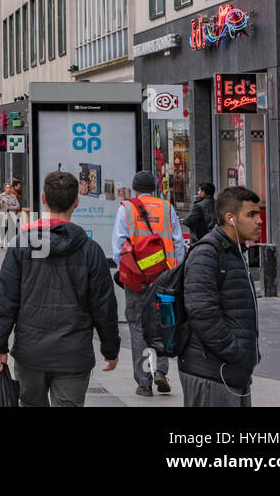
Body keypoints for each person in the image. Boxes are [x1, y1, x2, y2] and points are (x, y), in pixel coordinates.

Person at [0, 170, 120, 406]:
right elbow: (104, 305)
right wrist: (110, 348)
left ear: (44, 199)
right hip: (74, 354)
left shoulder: (22, 245)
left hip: (30, 352)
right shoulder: (90, 251)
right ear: (77, 202)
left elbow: (6, 299)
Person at [179, 186, 263, 407]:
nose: (259, 220)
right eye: (251, 214)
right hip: (212, 373)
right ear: (231, 218)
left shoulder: (234, 251)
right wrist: (236, 352)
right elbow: (202, 313)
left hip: (232, 372)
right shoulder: (208, 253)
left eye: (259, 213)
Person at [111, 170, 185, 396]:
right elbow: (178, 243)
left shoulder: (126, 208)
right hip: (164, 279)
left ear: (134, 187)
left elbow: (118, 247)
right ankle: (161, 370)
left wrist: (130, 271)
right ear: (154, 188)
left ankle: (144, 382)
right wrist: (174, 272)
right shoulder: (167, 208)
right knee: (164, 323)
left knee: (137, 328)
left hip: (137, 282)